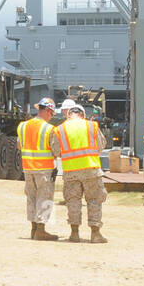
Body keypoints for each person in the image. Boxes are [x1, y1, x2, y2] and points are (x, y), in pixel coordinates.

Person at [55, 101, 107, 243]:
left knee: (73, 201)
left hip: (70, 170)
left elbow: (55, 150)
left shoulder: (60, 129)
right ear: (83, 115)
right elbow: (101, 145)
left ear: (69, 115)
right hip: (91, 169)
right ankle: (95, 234)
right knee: (94, 200)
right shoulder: (91, 126)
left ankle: (74, 233)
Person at [18, 97, 59, 240]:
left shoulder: (22, 126)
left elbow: (19, 145)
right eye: (52, 114)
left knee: (31, 198)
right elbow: (56, 150)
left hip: (28, 168)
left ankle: (33, 229)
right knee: (44, 197)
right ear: (48, 111)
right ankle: (41, 230)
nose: (51, 117)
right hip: (44, 169)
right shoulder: (49, 129)